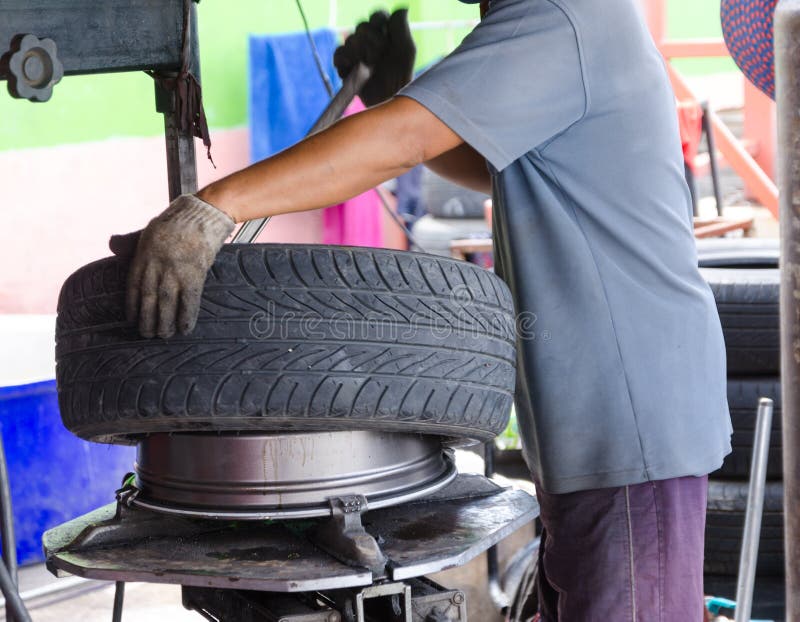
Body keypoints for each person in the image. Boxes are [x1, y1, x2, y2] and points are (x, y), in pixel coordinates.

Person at [111, 1, 732, 619]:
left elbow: (405, 139)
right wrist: (404, 94)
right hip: (602, 423)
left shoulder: (562, 15)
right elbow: (502, 161)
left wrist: (214, 207)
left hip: (633, 417)